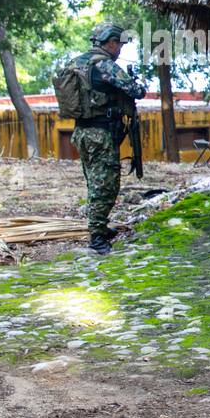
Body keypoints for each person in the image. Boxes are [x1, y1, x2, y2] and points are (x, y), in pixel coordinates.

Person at [68, 22, 146, 255]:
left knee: (95, 182)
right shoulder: (105, 65)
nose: (120, 49)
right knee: (107, 185)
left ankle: (100, 226)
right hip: (100, 134)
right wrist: (138, 85)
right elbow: (135, 91)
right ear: (110, 42)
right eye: (119, 44)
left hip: (82, 132)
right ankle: (97, 237)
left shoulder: (77, 62)